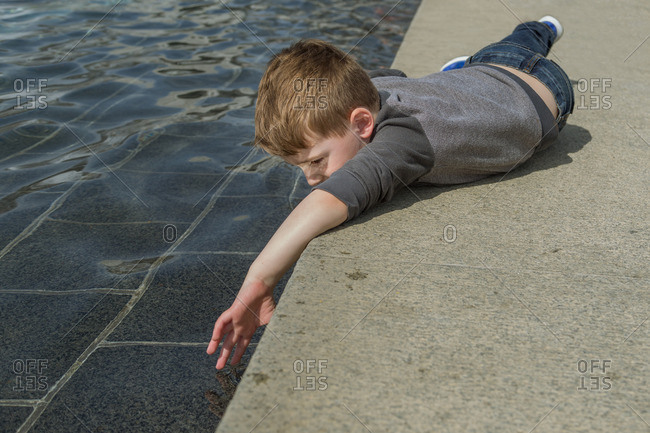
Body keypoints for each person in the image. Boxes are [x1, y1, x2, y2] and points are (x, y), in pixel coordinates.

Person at [206, 16, 575, 369]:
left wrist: (259, 280)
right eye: (302, 167)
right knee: (517, 40)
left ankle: (534, 32)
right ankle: (504, 49)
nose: (311, 179)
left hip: (548, 93)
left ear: (363, 123)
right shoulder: (370, 99)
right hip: (484, 72)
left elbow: (327, 202)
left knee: (527, 41)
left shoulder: (403, 141)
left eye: (317, 161)